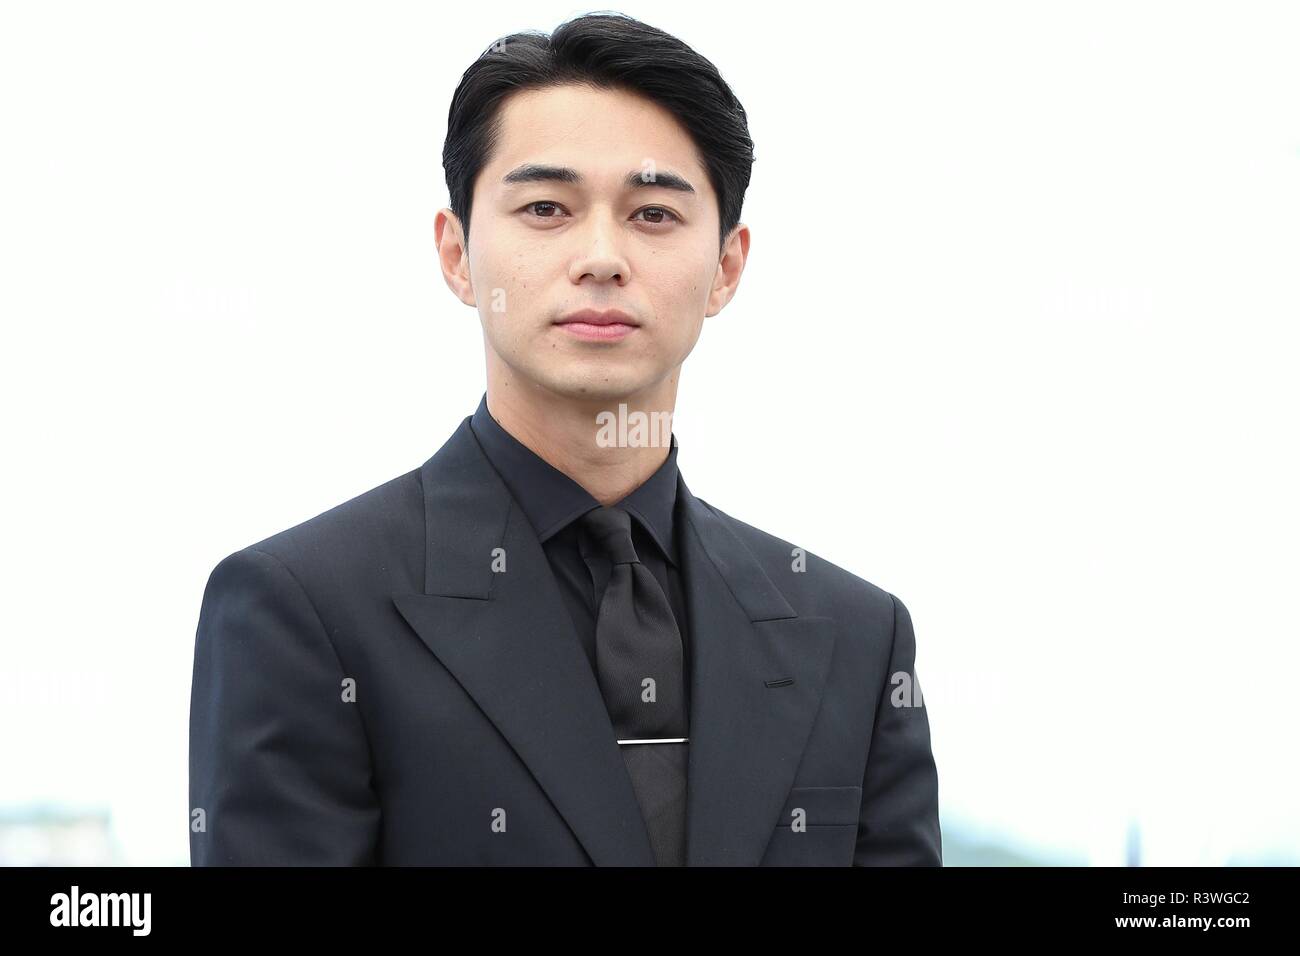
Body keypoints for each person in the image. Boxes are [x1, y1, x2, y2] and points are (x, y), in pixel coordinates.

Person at [188, 12, 941, 866]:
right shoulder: (303, 609)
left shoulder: (855, 633)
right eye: (546, 207)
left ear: (727, 267)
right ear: (457, 254)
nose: (601, 256)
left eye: (653, 213)